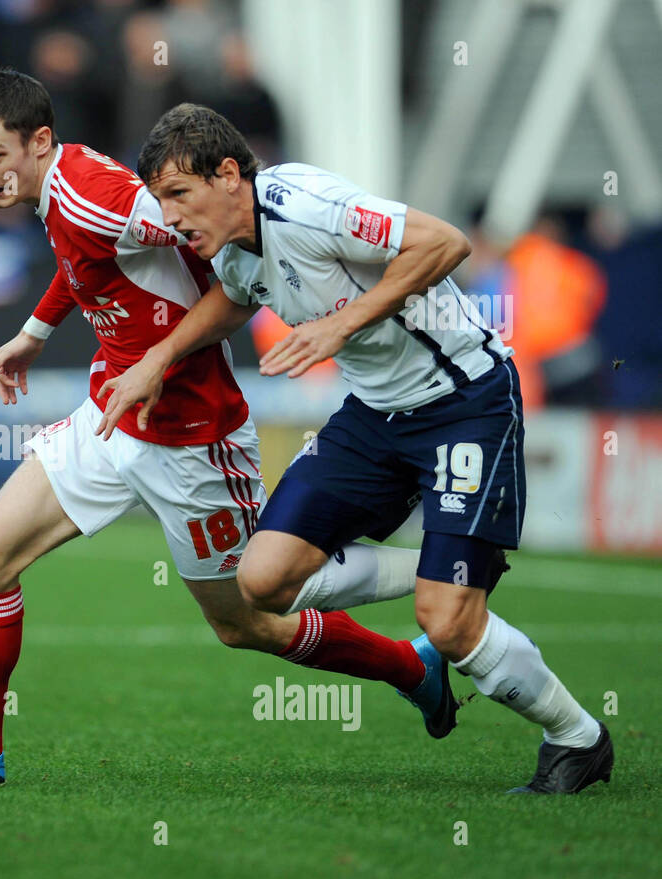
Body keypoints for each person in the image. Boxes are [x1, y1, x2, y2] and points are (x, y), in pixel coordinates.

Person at [0, 71, 450, 786]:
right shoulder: (64, 190)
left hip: (193, 439)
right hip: (111, 417)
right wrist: (33, 331)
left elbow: (209, 232)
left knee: (247, 621)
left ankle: (417, 646)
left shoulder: (96, 194)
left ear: (41, 141)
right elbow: (85, 260)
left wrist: (316, 288)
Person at [100, 103, 611, 793]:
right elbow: (236, 295)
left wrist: (341, 325)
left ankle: (578, 737)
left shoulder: (308, 204)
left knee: (449, 625)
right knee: (262, 580)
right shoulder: (231, 247)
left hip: (465, 403)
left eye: (178, 195)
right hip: (374, 417)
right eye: (162, 200)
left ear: (228, 174)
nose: (171, 216)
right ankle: (449, 571)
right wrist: (157, 359)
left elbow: (444, 243)